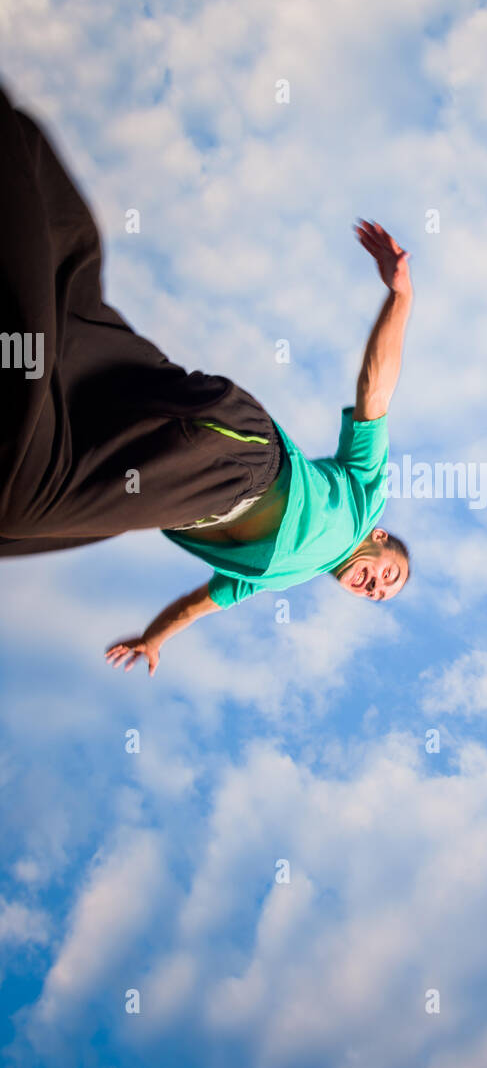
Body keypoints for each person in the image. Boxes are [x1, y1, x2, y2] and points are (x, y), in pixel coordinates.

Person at [0, 81, 412, 677]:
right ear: (376, 538)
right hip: (236, 455)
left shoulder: (270, 576)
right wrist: (400, 298)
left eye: (378, 596)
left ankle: (21, 164)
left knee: (72, 348)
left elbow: (198, 606)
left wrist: (153, 639)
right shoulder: (361, 498)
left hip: (172, 478)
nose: (375, 586)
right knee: (24, 502)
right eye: (388, 574)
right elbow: (375, 394)